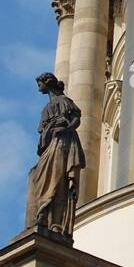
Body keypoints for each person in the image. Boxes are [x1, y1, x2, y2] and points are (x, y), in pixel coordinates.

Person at [23, 72, 85, 238]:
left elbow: (76, 119)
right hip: (49, 147)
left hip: (62, 143)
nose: (38, 88)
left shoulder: (64, 101)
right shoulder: (47, 108)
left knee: (57, 181)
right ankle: (42, 216)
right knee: (39, 179)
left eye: (39, 84)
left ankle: (55, 222)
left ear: (47, 83)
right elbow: (42, 132)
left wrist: (65, 128)